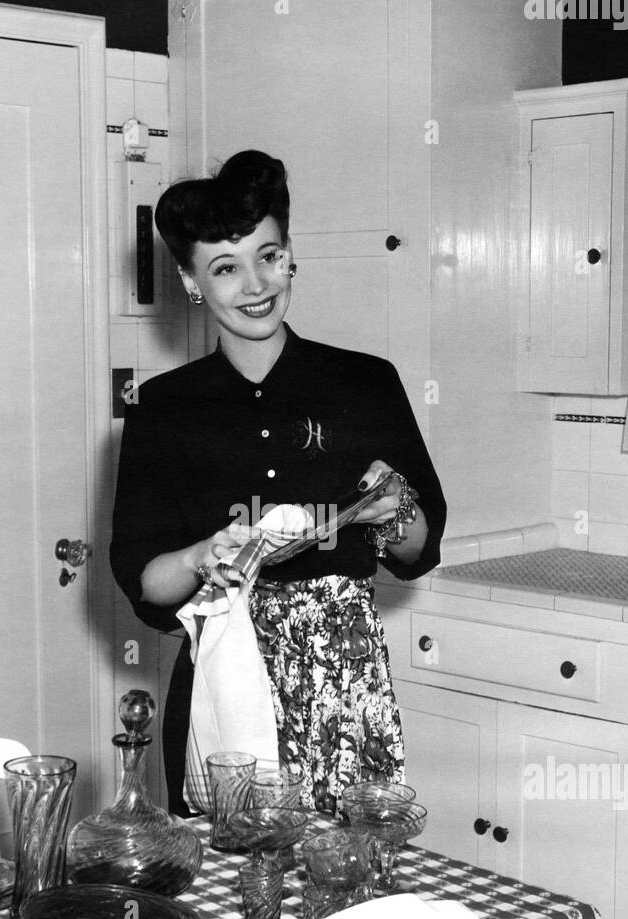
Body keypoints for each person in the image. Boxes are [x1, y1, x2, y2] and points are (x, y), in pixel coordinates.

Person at [110, 150, 445, 817]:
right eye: (225, 268)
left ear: (290, 256)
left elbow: (417, 549)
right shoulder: (160, 409)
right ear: (191, 281)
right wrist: (209, 552)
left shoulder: (365, 383)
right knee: (225, 899)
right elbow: (147, 585)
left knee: (350, 886)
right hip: (223, 685)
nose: (255, 283)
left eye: (269, 256)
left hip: (343, 684)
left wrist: (393, 502)